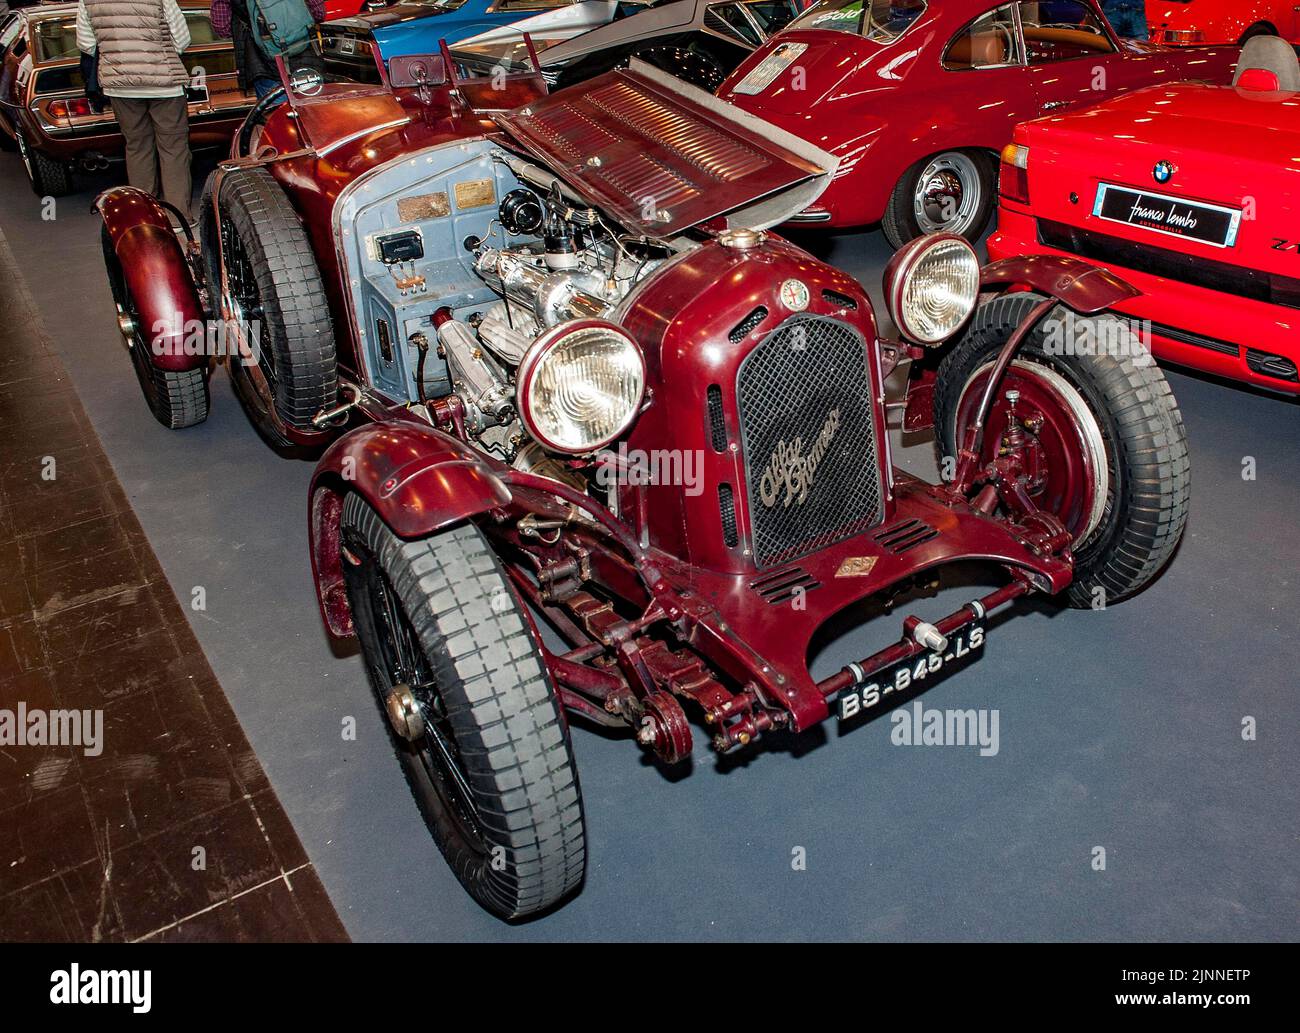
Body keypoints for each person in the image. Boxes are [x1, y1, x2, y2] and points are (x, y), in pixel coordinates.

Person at [76, 0, 193, 221]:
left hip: (119, 84)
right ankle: (178, 218)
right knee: (173, 150)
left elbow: (86, 44)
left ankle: (146, 217)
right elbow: (182, 40)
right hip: (164, 82)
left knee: (137, 147)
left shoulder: (87, 1)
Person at [211, 0, 325, 101]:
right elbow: (319, 13)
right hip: (308, 60)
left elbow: (223, 28)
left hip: (266, 66)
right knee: (312, 119)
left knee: (278, 120)